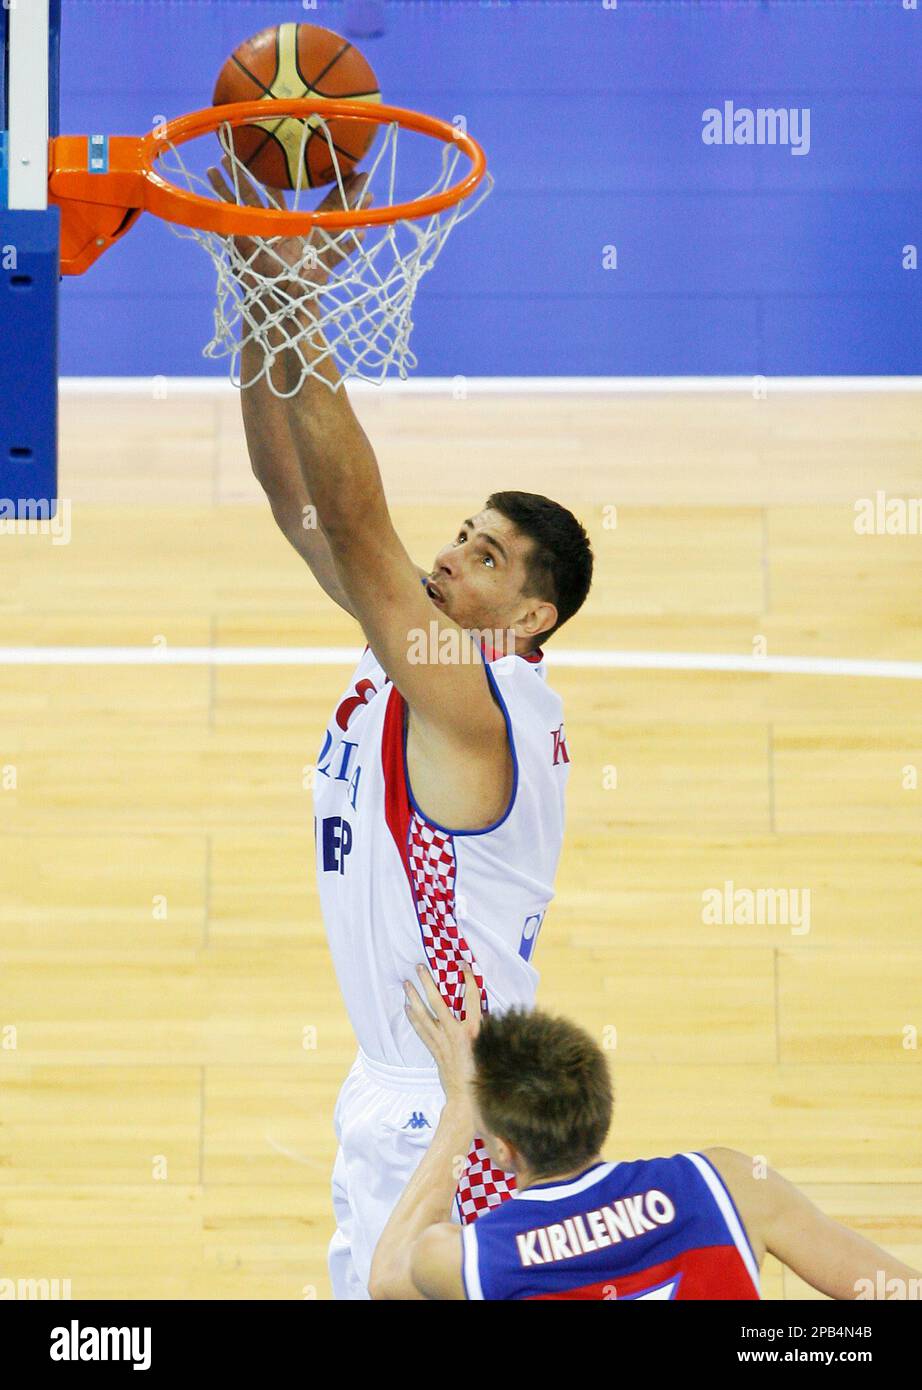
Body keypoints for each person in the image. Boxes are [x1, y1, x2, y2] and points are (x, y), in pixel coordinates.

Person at [212, 162, 594, 1299]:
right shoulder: (417, 657)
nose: (447, 556)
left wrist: (300, 295)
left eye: (484, 556)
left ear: (533, 618)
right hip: (408, 1078)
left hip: (458, 1093)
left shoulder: (478, 695)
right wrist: (259, 294)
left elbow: (363, 526)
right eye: (459, 532)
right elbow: (302, 505)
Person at [369, 965, 921, 1301]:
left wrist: (460, 1107)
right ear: (601, 1107)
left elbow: (385, 1274)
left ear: (503, 1150)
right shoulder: (728, 1181)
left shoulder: (471, 1256)